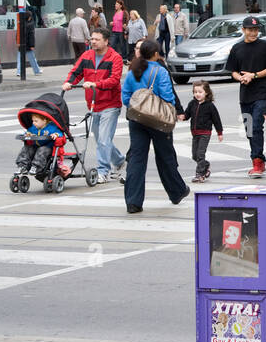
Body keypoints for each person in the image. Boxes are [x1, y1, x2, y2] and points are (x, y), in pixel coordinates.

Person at [120, 39, 188, 213]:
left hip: (137, 119)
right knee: (165, 156)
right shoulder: (160, 71)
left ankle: (133, 202)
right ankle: (177, 192)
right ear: (156, 54)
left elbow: (126, 97)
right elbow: (167, 96)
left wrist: (138, 107)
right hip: (158, 120)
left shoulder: (132, 71)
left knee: (137, 159)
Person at [62, 25, 124, 182]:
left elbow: (114, 80)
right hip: (93, 104)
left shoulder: (115, 58)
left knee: (103, 140)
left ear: (106, 41)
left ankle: (103, 171)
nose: (93, 42)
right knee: (101, 139)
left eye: (97, 39)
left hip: (110, 104)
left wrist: (96, 84)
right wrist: (69, 83)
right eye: (92, 39)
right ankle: (119, 161)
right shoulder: (87, 55)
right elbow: (76, 72)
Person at [226, 16, 266, 178]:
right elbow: (232, 71)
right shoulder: (237, 48)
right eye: (250, 30)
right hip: (245, 95)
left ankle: (257, 161)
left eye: (256, 29)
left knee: (256, 126)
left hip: (262, 93)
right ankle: (260, 159)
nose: (253, 33)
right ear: (243, 30)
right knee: (249, 130)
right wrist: (241, 78)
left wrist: (253, 75)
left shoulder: (265, 46)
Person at [181, 80, 223, 182]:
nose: (197, 94)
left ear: (206, 93)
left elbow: (216, 120)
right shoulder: (192, 104)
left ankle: (200, 174)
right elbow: (187, 115)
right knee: (194, 155)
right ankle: (205, 165)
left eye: (200, 92)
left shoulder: (210, 106)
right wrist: (183, 116)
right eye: (195, 92)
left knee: (200, 154)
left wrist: (219, 133)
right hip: (195, 133)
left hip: (205, 133)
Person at [17, 10, 42, 78]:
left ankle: (19, 72)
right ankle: (36, 71)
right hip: (28, 45)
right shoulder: (30, 25)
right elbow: (31, 36)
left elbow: (18, 34)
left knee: (20, 59)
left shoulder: (21, 23)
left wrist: (18, 42)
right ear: (29, 17)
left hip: (21, 44)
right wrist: (32, 45)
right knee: (32, 59)